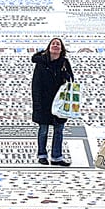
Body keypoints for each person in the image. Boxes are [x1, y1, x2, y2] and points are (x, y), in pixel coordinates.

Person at [31, 37, 74, 166]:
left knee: (59, 129)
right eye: (53, 44)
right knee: (43, 129)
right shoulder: (41, 63)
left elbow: (72, 80)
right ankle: (42, 154)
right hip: (44, 102)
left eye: (58, 44)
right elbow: (36, 85)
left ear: (62, 49)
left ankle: (57, 157)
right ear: (49, 47)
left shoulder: (64, 63)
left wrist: (67, 76)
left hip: (60, 102)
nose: (55, 46)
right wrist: (37, 103)